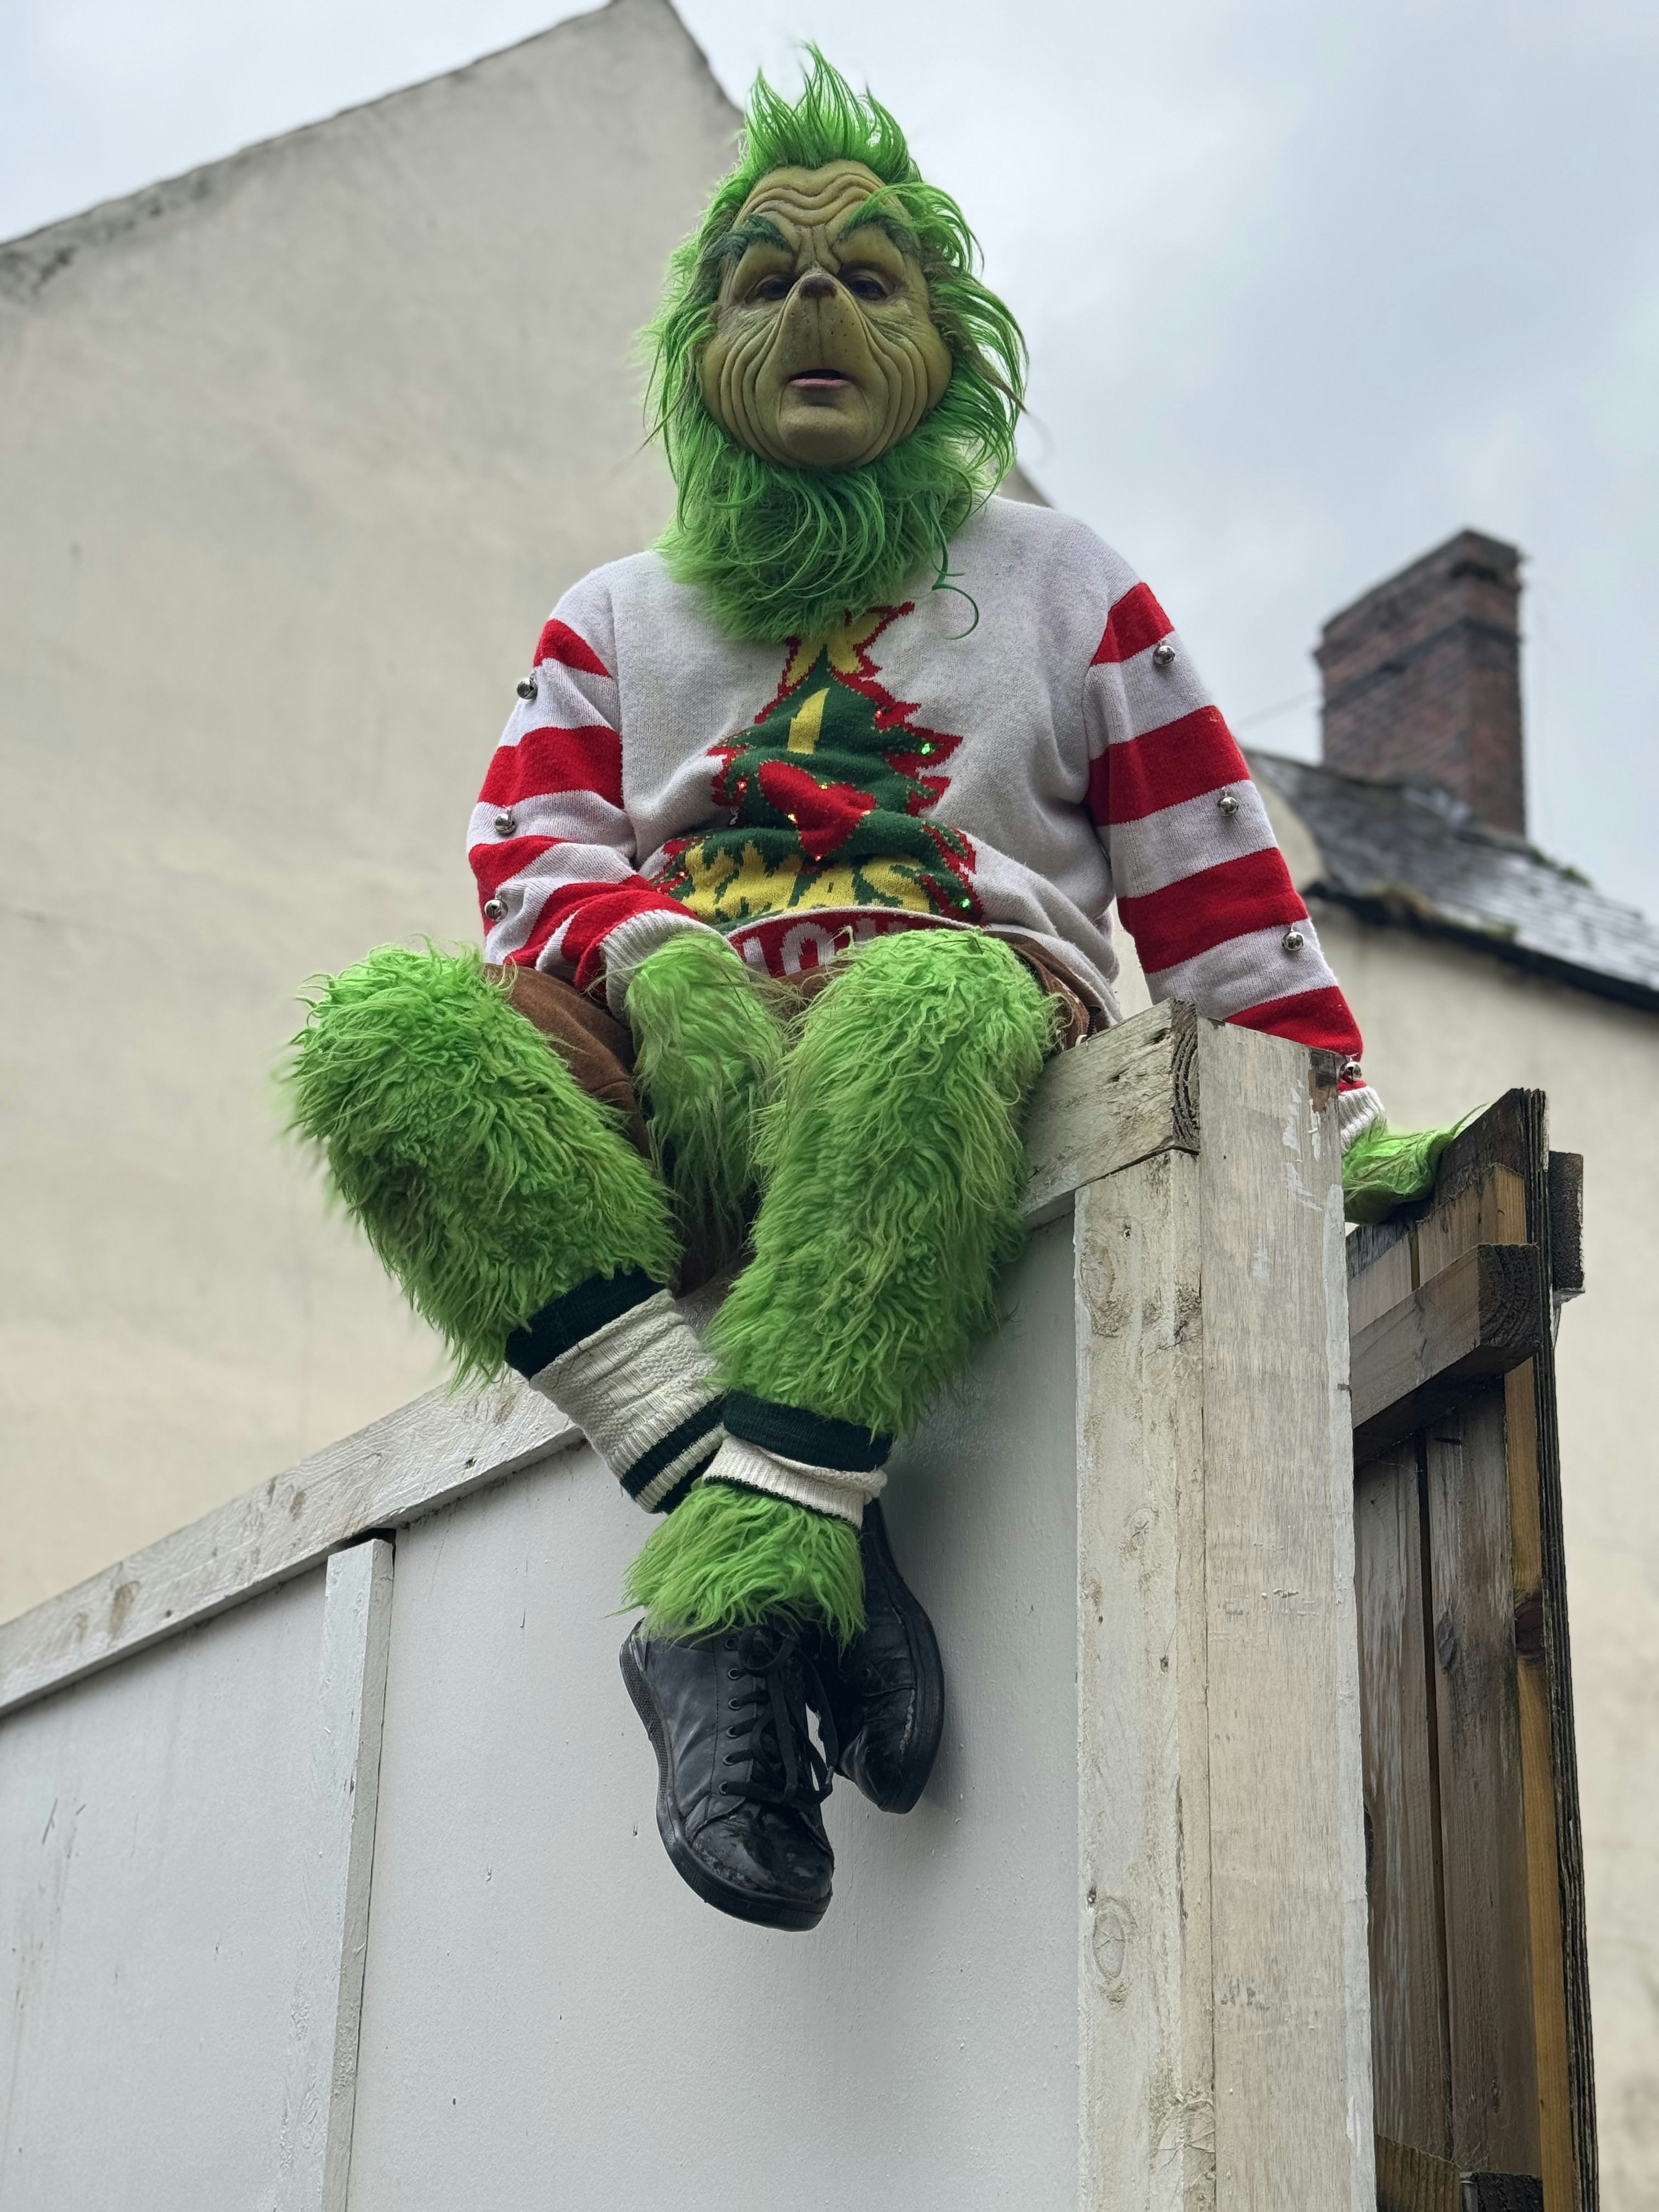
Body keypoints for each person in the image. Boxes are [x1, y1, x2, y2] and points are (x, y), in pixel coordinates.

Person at [286, 55, 1447, 1933]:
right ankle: (787, 1510)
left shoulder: (1065, 584)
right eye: (767, 277)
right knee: (384, 1041)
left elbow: (1214, 891)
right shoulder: (614, 613)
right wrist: (652, 960)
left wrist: (1338, 1141)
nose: (819, 305)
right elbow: (526, 861)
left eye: (872, 277)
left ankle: (729, 1623)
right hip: (688, 1085)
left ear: (952, 337)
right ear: (700, 344)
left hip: (953, 1045)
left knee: (927, 1008)